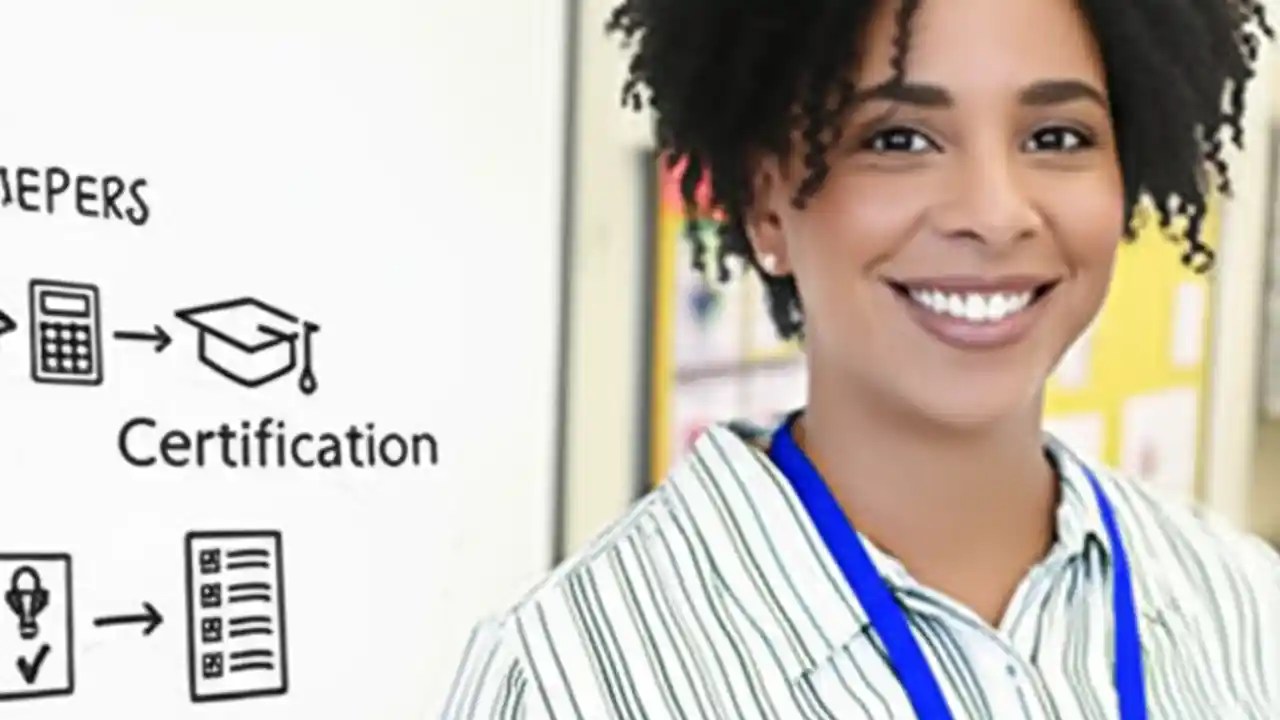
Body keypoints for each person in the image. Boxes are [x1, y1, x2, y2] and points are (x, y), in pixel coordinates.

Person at [444, 0, 1280, 716]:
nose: (994, 214)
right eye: (901, 139)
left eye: (1057, 135)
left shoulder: (1243, 609)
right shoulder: (570, 678)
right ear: (767, 203)